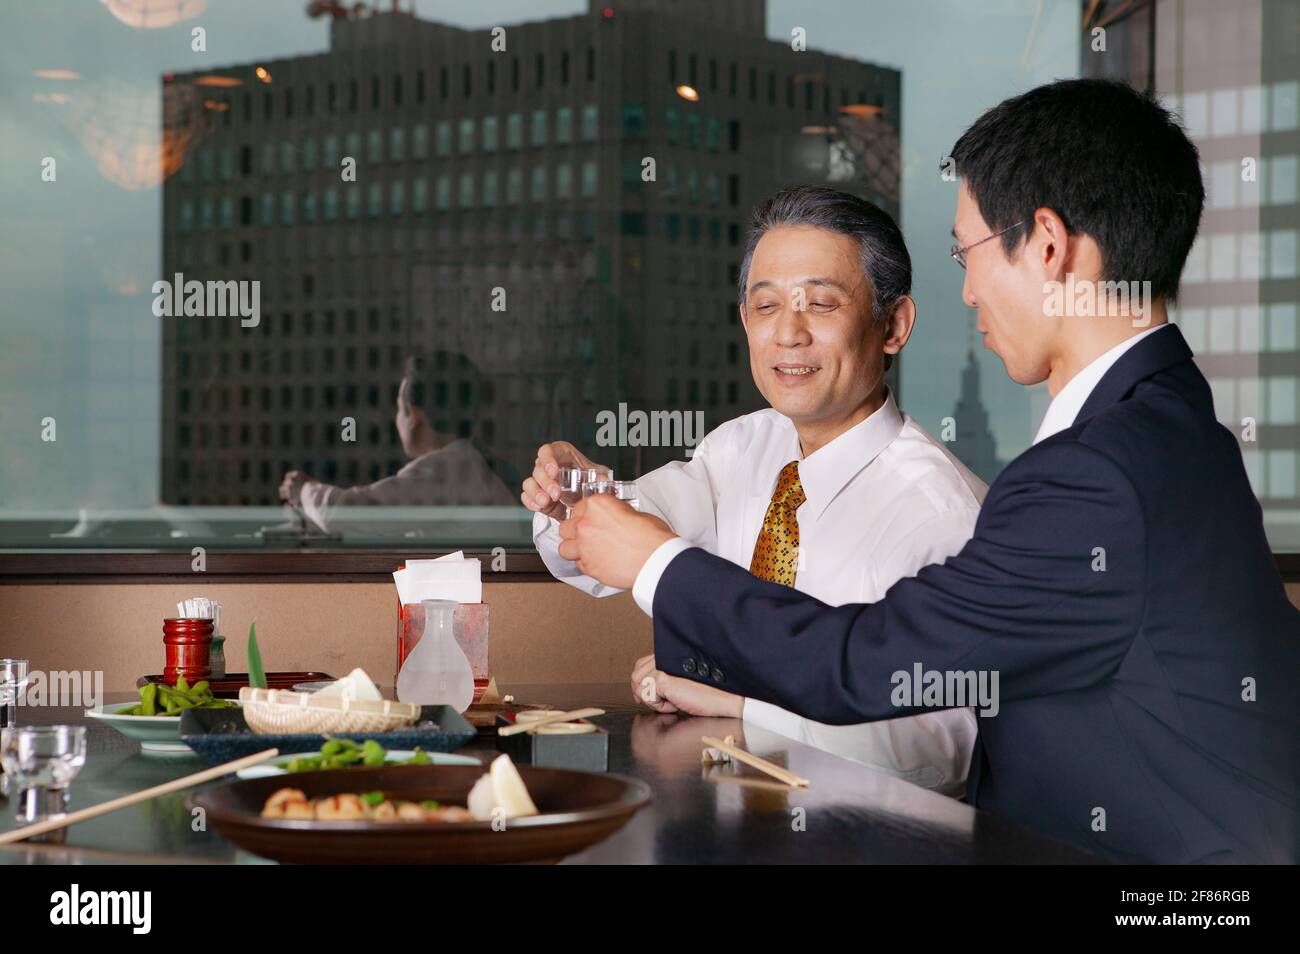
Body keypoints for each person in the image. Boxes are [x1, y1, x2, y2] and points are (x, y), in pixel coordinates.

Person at [556, 79, 1300, 863]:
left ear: (1048, 247)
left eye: (968, 252)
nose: (969, 291)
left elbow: (862, 664)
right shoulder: (1172, 418)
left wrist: (655, 562)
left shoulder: (1093, 475)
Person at [526, 188, 985, 794]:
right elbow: (624, 536)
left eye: (821, 304)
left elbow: (935, 749)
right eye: (766, 306)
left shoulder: (941, 513)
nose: (788, 333)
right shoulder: (745, 446)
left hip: (861, 828)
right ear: (745, 321)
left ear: (893, 325)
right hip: (727, 807)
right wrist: (576, 500)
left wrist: (742, 703)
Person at [280, 350, 513, 531]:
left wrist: (303, 490)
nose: (396, 419)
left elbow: (351, 514)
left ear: (413, 415)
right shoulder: (471, 467)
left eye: (399, 409)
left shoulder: (445, 472)